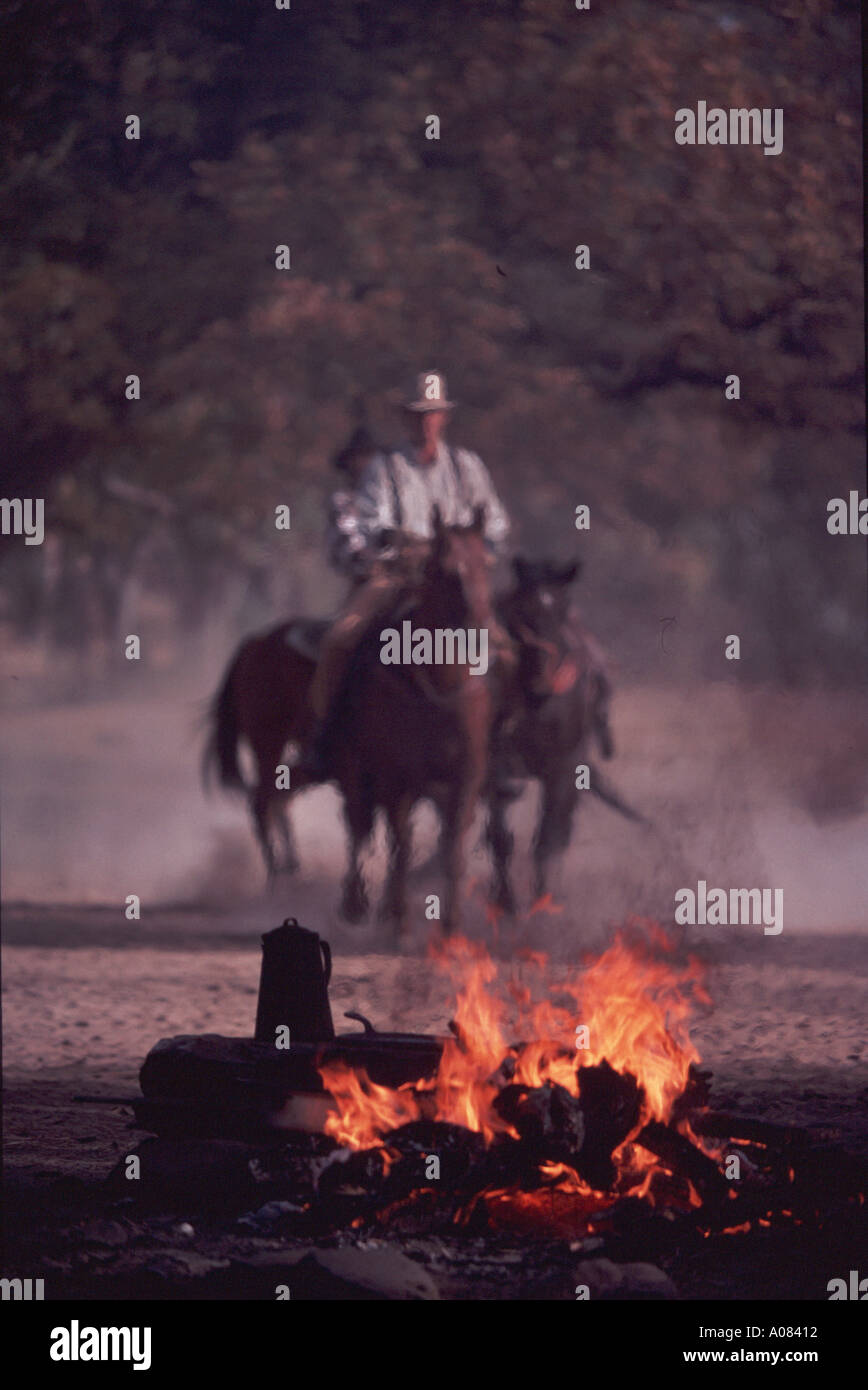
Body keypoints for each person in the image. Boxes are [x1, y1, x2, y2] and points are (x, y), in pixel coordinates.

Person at [298, 370, 512, 779]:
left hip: (458, 579)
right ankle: (323, 738)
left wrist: (477, 553)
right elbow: (369, 521)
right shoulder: (386, 467)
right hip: (399, 576)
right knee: (340, 638)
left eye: (432, 414)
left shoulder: (467, 467)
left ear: (443, 417)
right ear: (406, 419)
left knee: (504, 648)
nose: (425, 422)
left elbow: (496, 523)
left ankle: (500, 743)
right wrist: (398, 543)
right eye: (417, 415)